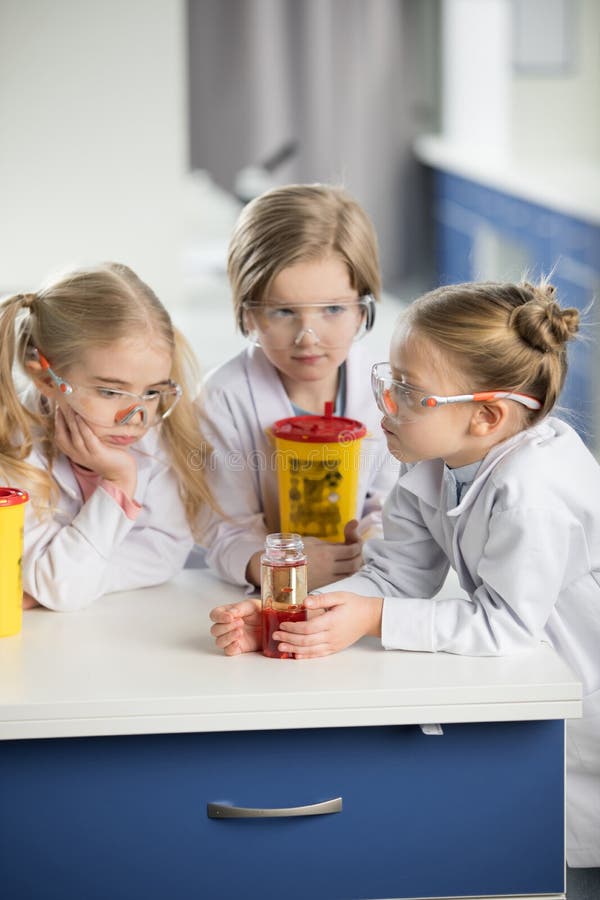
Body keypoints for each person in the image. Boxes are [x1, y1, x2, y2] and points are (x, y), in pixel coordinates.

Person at [209, 279, 600, 871]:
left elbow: (508, 628)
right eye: (387, 382)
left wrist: (372, 618)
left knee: (562, 852)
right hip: (535, 681)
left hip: (577, 683)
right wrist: (287, 613)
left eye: (409, 394)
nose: (384, 406)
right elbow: (396, 577)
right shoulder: (432, 462)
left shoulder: (532, 495)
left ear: (487, 416)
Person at [198, 183, 398, 592]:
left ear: (363, 309)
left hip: (362, 586)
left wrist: (372, 546)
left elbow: (391, 505)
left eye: (333, 309)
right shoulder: (225, 397)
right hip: (269, 588)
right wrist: (278, 568)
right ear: (248, 313)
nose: (308, 337)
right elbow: (226, 531)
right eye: (284, 311)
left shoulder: (387, 389)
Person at [0, 262, 215, 611]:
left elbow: (166, 552)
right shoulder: (13, 449)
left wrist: (80, 576)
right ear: (43, 377)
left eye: (152, 391)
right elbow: (60, 589)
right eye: (111, 393)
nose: (136, 418)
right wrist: (119, 485)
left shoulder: (154, 433)